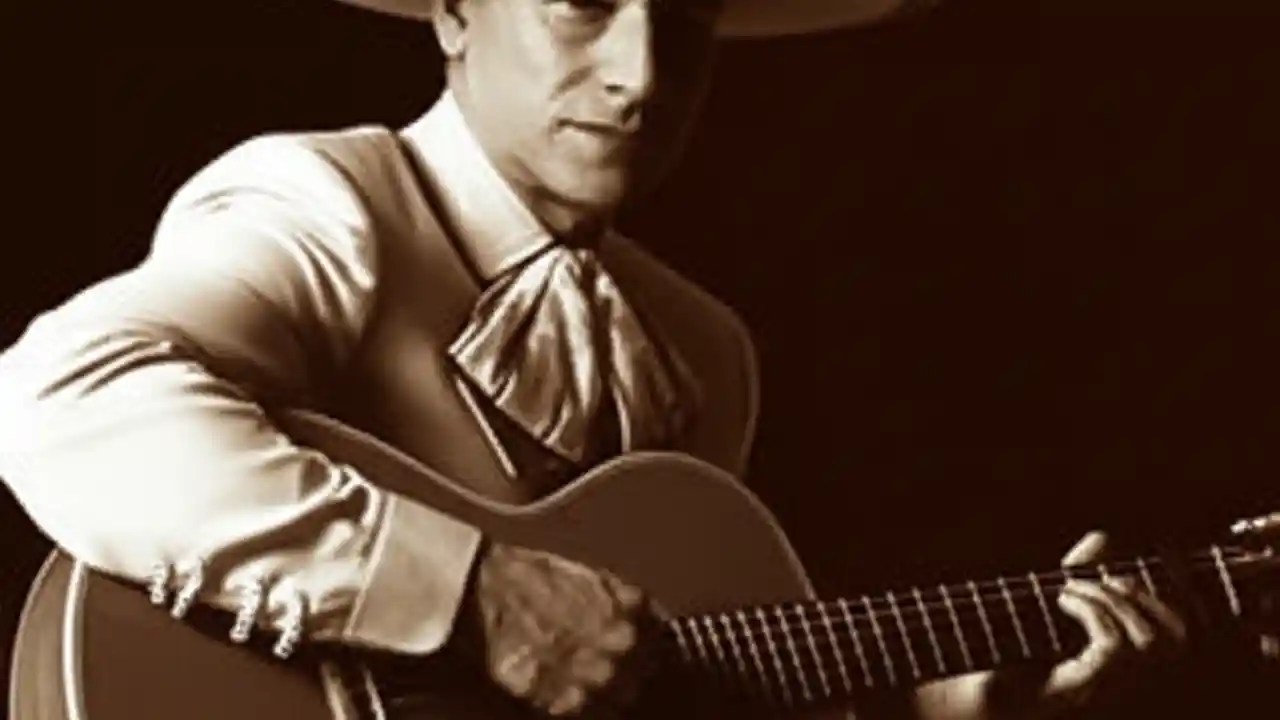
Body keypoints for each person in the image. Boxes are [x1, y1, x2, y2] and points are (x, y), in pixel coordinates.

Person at [0, 0, 1187, 717]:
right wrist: (473, 594)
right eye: (580, 1)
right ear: (455, 12)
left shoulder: (701, 351)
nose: (642, 73)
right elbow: (57, 398)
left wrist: (952, 702)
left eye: (683, 14)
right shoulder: (327, 206)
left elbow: (666, 691)